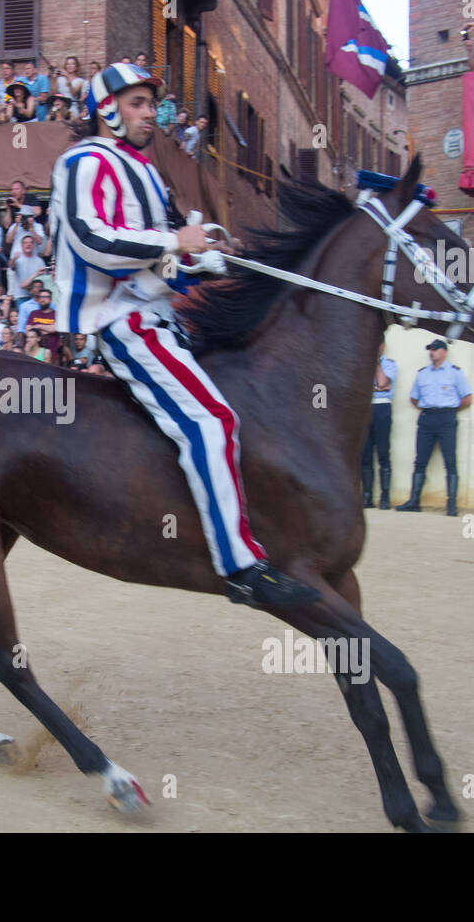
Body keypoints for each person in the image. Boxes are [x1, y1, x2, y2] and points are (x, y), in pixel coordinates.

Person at [49, 62, 319, 607]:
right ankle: (240, 567)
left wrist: (218, 263)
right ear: (107, 110)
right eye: (139, 103)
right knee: (211, 419)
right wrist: (177, 240)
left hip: (157, 314)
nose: (152, 114)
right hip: (121, 321)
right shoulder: (84, 160)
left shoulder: (144, 170)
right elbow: (91, 240)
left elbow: (164, 264)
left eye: (153, 103)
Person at [396, 339, 473, 516]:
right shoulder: (422, 374)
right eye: (430, 349)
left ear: (444, 352)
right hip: (427, 418)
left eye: (436, 349)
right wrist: (429, 408)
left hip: (447, 418)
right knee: (420, 460)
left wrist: (450, 409)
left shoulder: (455, 373)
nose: (432, 352)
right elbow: (414, 398)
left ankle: (451, 504)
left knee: (450, 461)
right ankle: (414, 501)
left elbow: (467, 398)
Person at [361, 341, 397, 509]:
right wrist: (377, 388)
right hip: (366, 408)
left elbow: (382, 383)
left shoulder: (389, 364)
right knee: (365, 453)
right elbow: (361, 389)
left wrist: (376, 362)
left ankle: (385, 495)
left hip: (382, 408)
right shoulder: (362, 362)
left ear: (382, 345)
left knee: (383, 452)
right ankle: (367, 495)